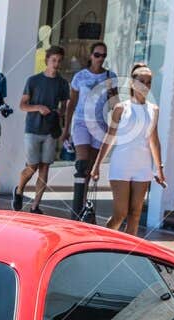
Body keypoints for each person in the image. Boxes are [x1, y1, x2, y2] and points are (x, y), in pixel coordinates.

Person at [89, 64, 165, 234]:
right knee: (120, 213)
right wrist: (97, 165)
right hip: (121, 165)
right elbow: (109, 137)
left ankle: (130, 249)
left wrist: (159, 169)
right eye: (141, 81)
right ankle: (104, 242)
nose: (146, 85)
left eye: (149, 82)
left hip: (143, 167)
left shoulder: (154, 110)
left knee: (135, 214)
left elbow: (154, 140)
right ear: (132, 83)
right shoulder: (121, 108)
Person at [12, 45, 69, 213]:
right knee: (32, 166)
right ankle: (19, 190)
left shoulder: (62, 84)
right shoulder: (33, 81)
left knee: (45, 168)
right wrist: (38, 107)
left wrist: (58, 113)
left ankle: (35, 206)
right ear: (47, 60)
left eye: (59, 61)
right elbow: (22, 105)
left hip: (50, 130)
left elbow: (64, 107)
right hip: (33, 129)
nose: (56, 64)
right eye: (53, 60)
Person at [64, 42, 115, 171]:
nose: (100, 58)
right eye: (97, 55)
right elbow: (72, 103)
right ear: (91, 55)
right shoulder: (80, 76)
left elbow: (114, 105)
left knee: (90, 167)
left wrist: (111, 91)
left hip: (99, 123)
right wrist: (66, 129)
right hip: (81, 122)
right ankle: (79, 184)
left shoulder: (110, 76)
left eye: (103, 55)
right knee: (82, 164)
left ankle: (84, 185)